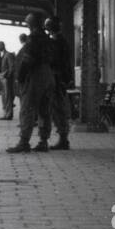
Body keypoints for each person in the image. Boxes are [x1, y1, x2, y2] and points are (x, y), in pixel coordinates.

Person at [7, 11, 55, 153]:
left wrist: (20, 77)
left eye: (28, 23)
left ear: (31, 24)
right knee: (44, 110)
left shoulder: (33, 38)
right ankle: (43, 141)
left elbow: (27, 60)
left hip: (35, 75)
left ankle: (24, 141)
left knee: (27, 108)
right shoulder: (47, 38)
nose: (27, 25)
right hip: (48, 74)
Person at [40, 16, 72, 150]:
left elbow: (52, 60)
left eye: (47, 26)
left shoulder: (56, 42)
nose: (46, 28)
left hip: (56, 79)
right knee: (57, 108)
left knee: (57, 108)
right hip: (59, 79)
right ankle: (63, 137)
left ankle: (63, 138)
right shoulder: (61, 41)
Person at [0, 42, 15, 120]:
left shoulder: (8, 55)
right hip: (3, 79)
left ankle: (8, 114)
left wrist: (7, 76)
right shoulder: (3, 55)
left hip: (6, 79)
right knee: (4, 96)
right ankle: (6, 113)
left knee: (7, 96)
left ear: (3, 46)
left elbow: (12, 67)